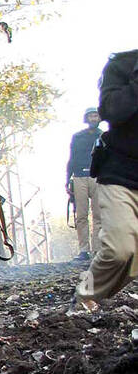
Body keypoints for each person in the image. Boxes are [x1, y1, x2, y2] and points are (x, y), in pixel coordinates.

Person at [74, 50, 138, 310]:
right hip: (121, 175)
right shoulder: (122, 65)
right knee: (118, 250)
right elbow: (112, 111)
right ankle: (83, 296)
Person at [67, 107, 103, 261]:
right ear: (86, 118)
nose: (93, 118)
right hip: (79, 177)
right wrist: (67, 180)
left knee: (99, 215)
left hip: (98, 178)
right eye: (91, 116)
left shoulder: (104, 136)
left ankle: (98, 249)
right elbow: (72, 158)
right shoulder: (78, 137)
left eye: (96, 116)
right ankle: (83, 250)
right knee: (81, 215)